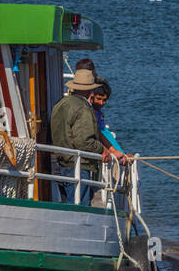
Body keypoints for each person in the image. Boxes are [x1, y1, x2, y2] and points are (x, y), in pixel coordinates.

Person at [49, 67, 126, 204]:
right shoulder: (84, 109)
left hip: (58, 161)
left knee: (66, 204)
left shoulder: (61, 104)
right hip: (76, 164)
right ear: (91, 90)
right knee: (78, 205)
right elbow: (84, 142)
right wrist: (103, 150)